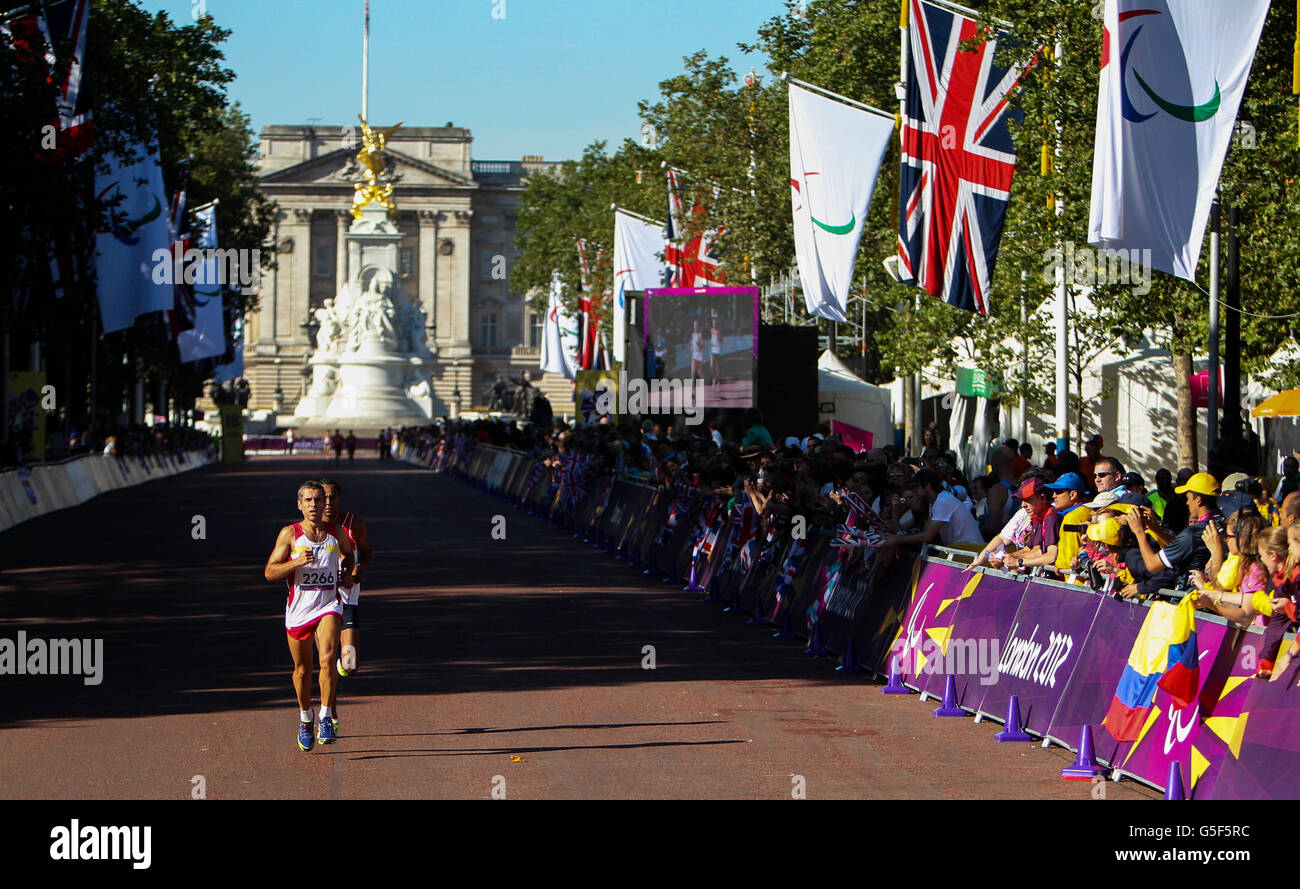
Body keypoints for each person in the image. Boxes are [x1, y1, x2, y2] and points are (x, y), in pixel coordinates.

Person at [263, 481, 355, 751]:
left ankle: (326, 715)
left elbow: (348, 556)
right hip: (299, 610)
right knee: (303, 671)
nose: (316, 505)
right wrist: (295, 562)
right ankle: (306, 717)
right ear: (300, 504)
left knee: (327, 658)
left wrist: (347, 573)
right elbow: (269, 572)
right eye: (309, 500)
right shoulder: (289, 535)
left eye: (319, 500)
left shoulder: (336, 532)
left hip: (328, 605)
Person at [1125, 471, 1220, 585]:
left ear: (1198, 500)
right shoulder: (1222, 521)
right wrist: (1156, 529)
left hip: (1193, 595)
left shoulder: (1192, 533)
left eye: (1188, 498)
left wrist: (1139, 532)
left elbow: (1152, 565)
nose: (1187, 503)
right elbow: (1180, 545)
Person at [321, 478, 371, 679]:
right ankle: (326, 708)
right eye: (323, 497)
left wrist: (360, 568)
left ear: (339, 499)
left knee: (349, 665)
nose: (327, 502)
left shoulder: (354, 525)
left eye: (332, 497)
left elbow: (367, 552)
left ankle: (337, 664)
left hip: (347, 600)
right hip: (321, 602)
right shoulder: (309, 529)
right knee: (325, 660)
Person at [880, 468, 984, 550]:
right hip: (961, 551)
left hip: (970, 552)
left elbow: (927, 536)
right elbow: (925, 533)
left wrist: (897, 539)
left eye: (916, 487)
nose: (914, 491)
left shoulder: (943, 501)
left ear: (928, 486)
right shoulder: (936, 502)